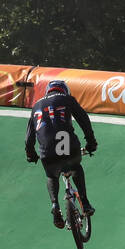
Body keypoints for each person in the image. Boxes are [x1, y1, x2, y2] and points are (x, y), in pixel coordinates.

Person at [25, 78, 98, 230]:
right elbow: (83, 120)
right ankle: (84, 203)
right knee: (74, 166)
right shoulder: (67, 99)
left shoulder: (36, 106)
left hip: (46, 148)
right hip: (64, 142)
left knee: (51, 175)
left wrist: (31, 155)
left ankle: (55, 205)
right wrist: (91, 142)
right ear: (64, 90)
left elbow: (29, 138)